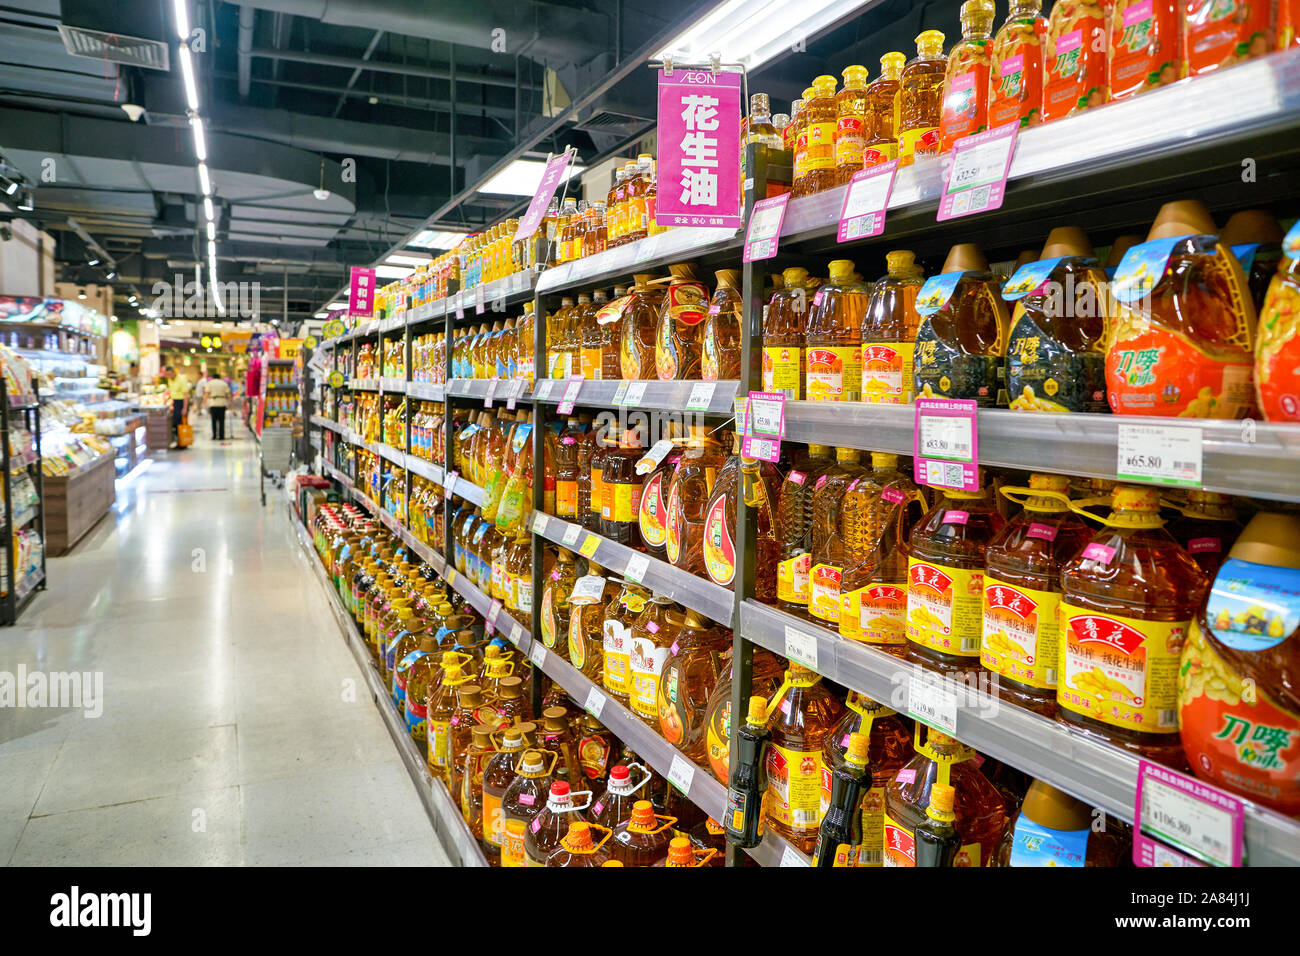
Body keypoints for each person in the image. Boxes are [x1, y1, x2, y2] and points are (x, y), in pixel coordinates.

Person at [165, 366, 192, 449]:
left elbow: (185, 394)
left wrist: (184, 408)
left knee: (180, 423)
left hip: (181, 402)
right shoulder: (170, 380)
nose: (169, 376)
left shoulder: (182, 379)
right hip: (174, 403)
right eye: (167, 375)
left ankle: (183, 443)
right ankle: (178, 442)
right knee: (175, 424)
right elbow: (171, 392)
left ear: (174, 372)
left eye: (170, 374)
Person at [204, 368, 231, 440]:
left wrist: (204, 403)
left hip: (213, 403)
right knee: (222, 420)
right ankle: (222, 436)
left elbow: (206, 394)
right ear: (219, 377)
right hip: (222, 403)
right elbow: (228, 394)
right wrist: (231, 403)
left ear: (213, 377)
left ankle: (214, 435)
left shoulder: (210, 383)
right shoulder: (224, 383)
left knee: (213, 421)